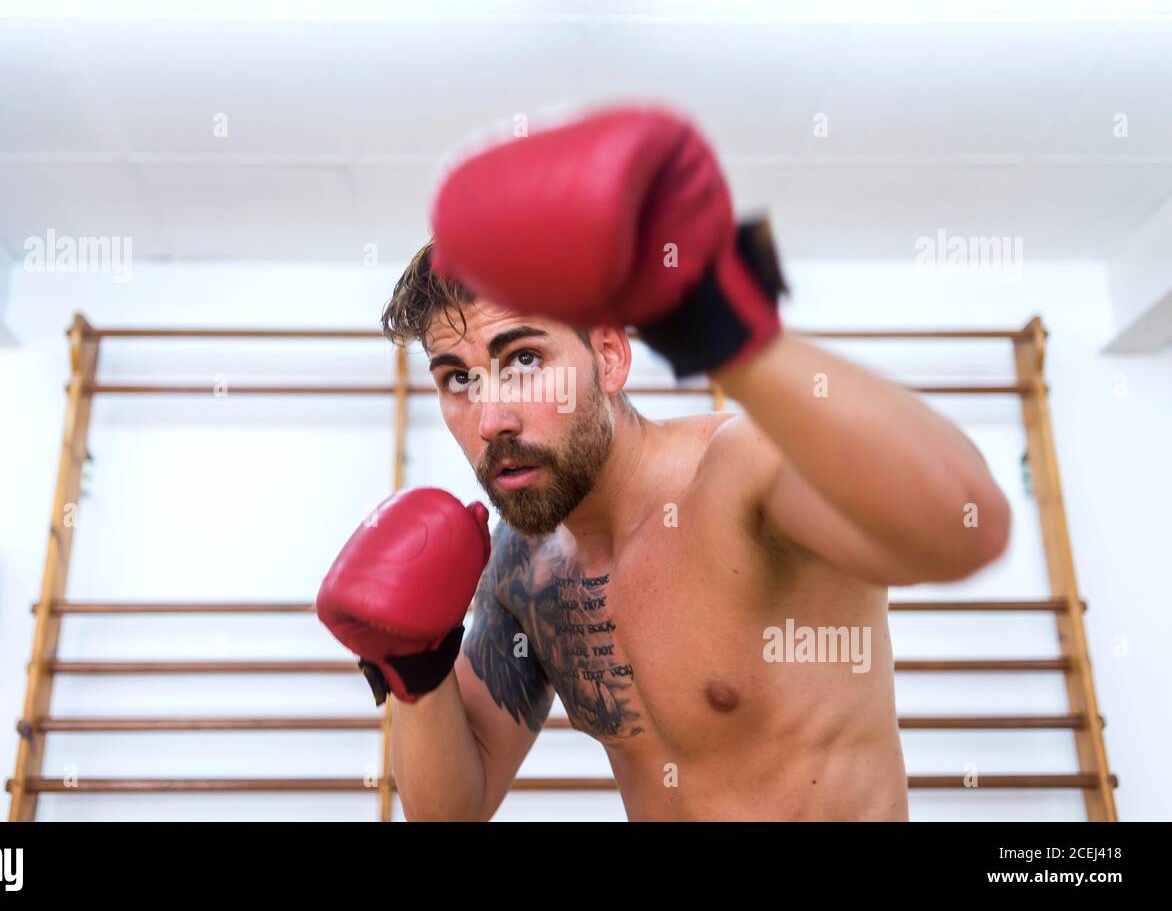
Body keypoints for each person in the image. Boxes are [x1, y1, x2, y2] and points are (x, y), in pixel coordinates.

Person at [318, 106, 1011, 821]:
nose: (489, 416)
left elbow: (965, 523)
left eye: (524, 359)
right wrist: (417, 670)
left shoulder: (741, 478)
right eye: (456, 378)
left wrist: (733, 333)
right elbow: (451, 809)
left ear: (611, 356)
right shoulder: (524, 567)